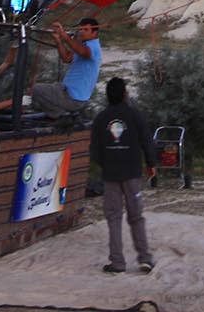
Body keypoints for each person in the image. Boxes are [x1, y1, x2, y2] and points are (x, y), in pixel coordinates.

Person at [90, 77, 156, 274]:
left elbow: (95, 151)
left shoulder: (101, 119)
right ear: (125, 94)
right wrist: (151, 164)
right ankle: (144, 257)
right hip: (132, 173)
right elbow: (146, 141)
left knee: (114, 217)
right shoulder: (135, 115)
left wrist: (107, 164)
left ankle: (117, 262)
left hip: (111, 174)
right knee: (136, 216)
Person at [30, 18, 102, 119]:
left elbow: (83, 52)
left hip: (74, 97)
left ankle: (60, 115)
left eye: (85, 30)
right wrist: (58, 41)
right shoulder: (83, 45)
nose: (81, 32)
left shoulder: (94, 47)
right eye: (80, 29)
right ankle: (60, 114)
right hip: (67, 91)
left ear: (95, 33)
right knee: (39, 89)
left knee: (37, 89)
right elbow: (66, 58)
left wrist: (64, 35)